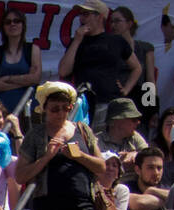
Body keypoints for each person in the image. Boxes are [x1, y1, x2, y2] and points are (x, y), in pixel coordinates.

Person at [17, 81, 105, 210]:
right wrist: (46, 157)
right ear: (45, 109)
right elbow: (20, 174)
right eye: (54, 109)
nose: (60, 113)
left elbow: (101, 166)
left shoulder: (82, 130)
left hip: (82, 202)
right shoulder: (36, 134)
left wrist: (79, 156)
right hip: (48, 202)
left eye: (65, 108)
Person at [58, 1, 141, 134]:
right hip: (83, 103)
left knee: (103, 142)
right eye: (81, 15)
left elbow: (137, 68)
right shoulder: (77, 41)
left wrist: (125, 90)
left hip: (108, 102)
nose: (81, 18)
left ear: (100, 16)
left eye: (86, 14)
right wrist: (78, 40)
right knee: (80, 140)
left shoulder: (116, 41)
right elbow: (63, 70)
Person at [0, 10, 40, 119]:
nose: (12, 24)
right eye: (8, 22)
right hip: (2, 110)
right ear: (3, 27)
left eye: (16, 21)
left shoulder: (33, 49)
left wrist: (7, 78)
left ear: (23, 25)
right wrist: (24, 81)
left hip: (29, 108)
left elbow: (35, 79)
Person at [109, 6, 155, 130]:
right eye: (111, 21)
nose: (113, 25)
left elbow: (150, 80)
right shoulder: (109, 47)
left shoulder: (145, 48)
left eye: (117, 21)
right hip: (117, 99)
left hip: (139, 100)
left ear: (129, 23)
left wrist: (151, 108)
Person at [98, 97, 148, 169]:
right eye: (133, 119)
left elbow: (150, 156)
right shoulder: (96, 142)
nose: (138, 122)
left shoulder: (135, 137)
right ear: (115, 121)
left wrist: (137, 155)